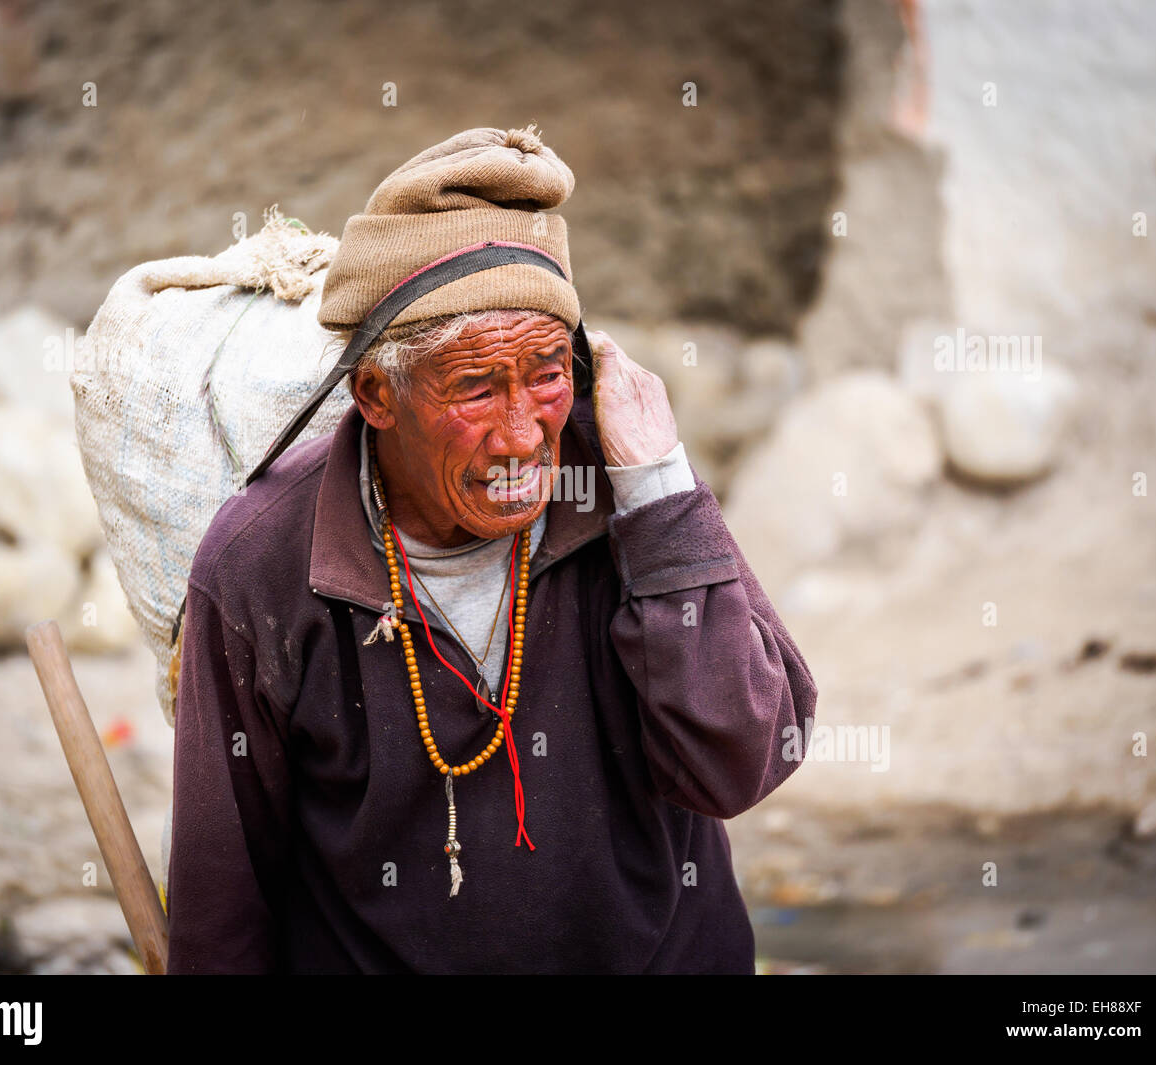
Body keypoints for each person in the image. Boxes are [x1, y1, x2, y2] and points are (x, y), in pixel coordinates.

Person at [165, 126, 817, 974]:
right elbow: (225, 898)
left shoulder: (630, 490)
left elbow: (743, 763)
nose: (522, 436)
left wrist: (662, 497)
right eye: (475, 385)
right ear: (377, 394)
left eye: (547, 374)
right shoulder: (262, 563)